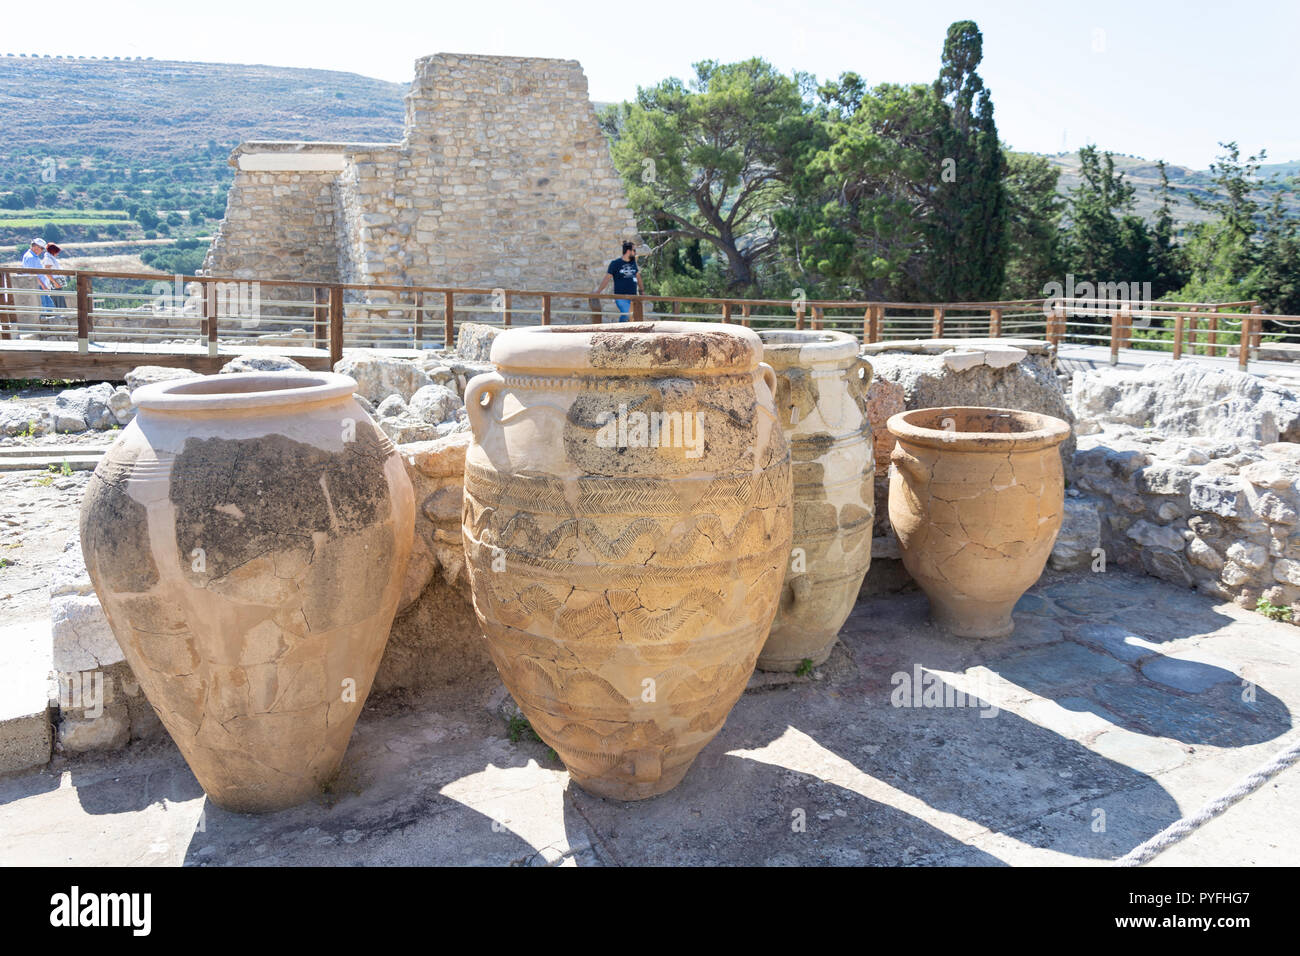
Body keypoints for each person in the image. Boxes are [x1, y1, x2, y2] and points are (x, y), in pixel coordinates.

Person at [594, 241, 643, 321]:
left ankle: (625, 331)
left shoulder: (633, 263)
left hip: (633, 297)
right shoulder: (615, 263)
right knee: (627, 314)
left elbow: (638, 277)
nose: (635, 253)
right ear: (628, 251)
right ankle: (620, 330)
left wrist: (642, 291)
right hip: (621, 297)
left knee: (632, 318)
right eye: (634, 250)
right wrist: (598, 291)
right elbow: (607, 278)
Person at [42, 243, 68, 312]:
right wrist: (54, 282)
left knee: (58, 297)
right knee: (57, 298)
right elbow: (47, 272)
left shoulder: (50, 258)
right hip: (54, 282)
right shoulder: (48, 259)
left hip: (55, 281)